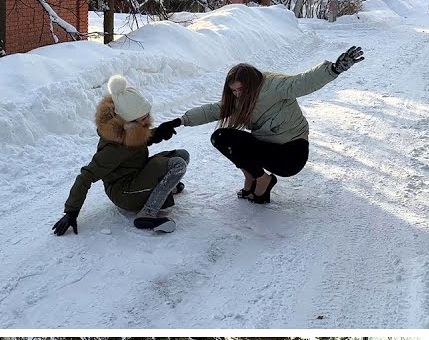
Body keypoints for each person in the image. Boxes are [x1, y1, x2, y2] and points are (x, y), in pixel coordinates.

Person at [170, 47, 364, 204]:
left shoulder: (274, 85)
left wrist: (334, 69)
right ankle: (252, 177)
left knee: (238, 144)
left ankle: (263, 180)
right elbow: (213, 110)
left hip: (291, 154)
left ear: (252, 82)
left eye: (240, 89)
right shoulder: (239, 100)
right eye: (233, 91)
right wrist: (179, 121)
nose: (237, 94)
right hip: (266, 147)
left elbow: (304, 82)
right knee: (221, 137)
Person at [52, 75, 189, 235]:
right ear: (130, 122)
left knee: (182, 155)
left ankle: (163, 189)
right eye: (143, 118)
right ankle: (148, 214)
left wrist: (157, 133)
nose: (148, 120)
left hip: (136, 174)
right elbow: (86, 176)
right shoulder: (113, 149)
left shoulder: (129, 131)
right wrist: (71, 212)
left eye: (148, 114)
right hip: (124, 192)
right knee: (177, 164)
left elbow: (135, 142)